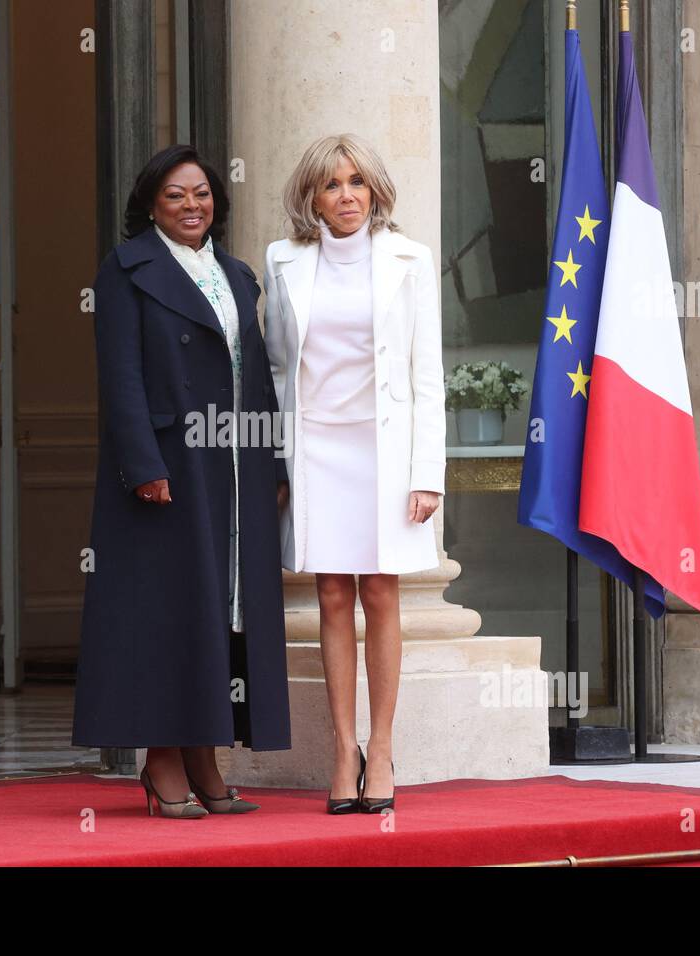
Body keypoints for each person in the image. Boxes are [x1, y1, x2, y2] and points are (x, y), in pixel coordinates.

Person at [72, 145, 292, 818]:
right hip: (168, 467)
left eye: (201, 194)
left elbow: (255, 376)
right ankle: (162, 759)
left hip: (232, 465)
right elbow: (121, 376)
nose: (192, 205)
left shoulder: (237, 272)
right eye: (175, 195)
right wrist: (143, 465)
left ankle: (206, 751)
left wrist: (273, 460)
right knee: (165, 611)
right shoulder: (127, 269)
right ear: (149, 204)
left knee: (221, 608)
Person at [263, 134, 446, 813]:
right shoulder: (283, 259)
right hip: (315, 449)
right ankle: (345, 752)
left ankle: (384, 750)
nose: (347, 195)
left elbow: (427, 373)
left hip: (386, 450)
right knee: (332, 597)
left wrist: (428, 472)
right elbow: (277, 367)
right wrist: (275, 460)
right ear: (311, 196)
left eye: (357, 182)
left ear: (375, 191)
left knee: (382, 596)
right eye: (333, 184)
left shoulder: (409, 259)